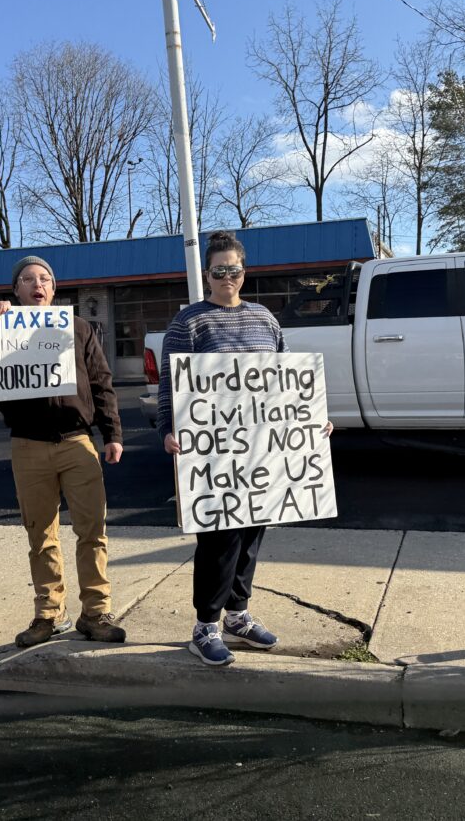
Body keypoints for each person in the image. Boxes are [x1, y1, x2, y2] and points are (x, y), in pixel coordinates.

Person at [157, 231, 331, 667]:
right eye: (219, 271)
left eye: (234, 269)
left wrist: (310, 420)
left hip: (261, 453)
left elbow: (285, 379)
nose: (227, 277)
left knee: (252, 536)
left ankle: (238, 615)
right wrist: (168, 429)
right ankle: (205, 626)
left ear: (243, 273)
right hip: (212, 453)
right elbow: (170, 386)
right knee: (218, 539)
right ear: (207, 274)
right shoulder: (190, 323)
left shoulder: (264, 318)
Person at [0, 256, 127, 647]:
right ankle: (49, 614)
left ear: (53, 288)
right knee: (41, 534)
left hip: (77, 442)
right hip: (28, 445)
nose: (38, 284)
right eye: (28, 279)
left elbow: (101, 383)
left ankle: (96, 613)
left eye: (45, 279)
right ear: (16, 290)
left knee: (92, 531)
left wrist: (112, 433)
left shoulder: (78, 329)